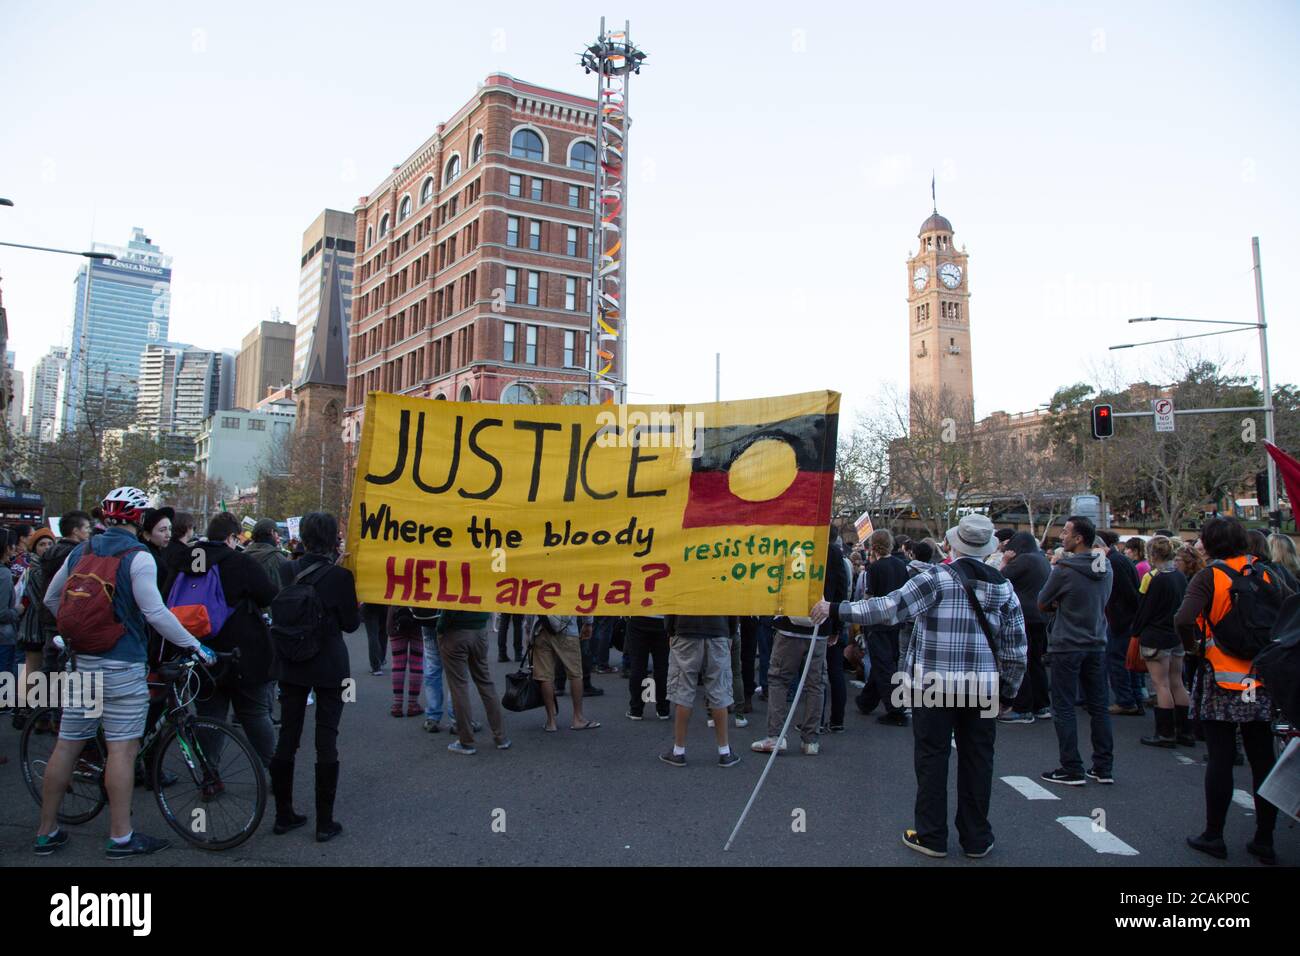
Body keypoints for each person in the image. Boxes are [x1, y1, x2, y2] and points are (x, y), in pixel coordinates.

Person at [813, 514, 1026, 858]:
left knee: (931, 758)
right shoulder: (1002, 586)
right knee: (978, 760)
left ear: (953, 544)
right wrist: (1008, 691)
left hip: (934, 682)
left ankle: (931, 835)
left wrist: (836, 609)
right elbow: (1016, 647)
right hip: (982, 684)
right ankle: (976, 837)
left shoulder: (936, 578)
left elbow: (888, 608)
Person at [37, 486, 213, 857]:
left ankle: (46, 831)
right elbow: (155, 613)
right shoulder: (139, 556)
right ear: (139, 519)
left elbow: (52, 599)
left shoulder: (81, 551)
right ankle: (121, 837)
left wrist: (79, 632)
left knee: (67, 745)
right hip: (123, 663)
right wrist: (196, 645)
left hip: (82, 661)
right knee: (122, 750)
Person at [1175, 516, 1282, 863]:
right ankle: (1265, 838)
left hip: (1221, 677)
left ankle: (1214, 835)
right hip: (1258, 678)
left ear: (1210, 543)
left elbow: (1183, 618)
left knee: (1221, 757)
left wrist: (1193, 647)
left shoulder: (1210, 577)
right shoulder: (1266, 573)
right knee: (1262, 756)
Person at [270, 511, 359, 842]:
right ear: (332, 537)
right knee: (326, 740)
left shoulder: (286, 569)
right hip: (329, 665)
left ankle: (283, 814)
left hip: (291, 662)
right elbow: (350, 624)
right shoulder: (340, 577)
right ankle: (325, 822)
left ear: (303, 536)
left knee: (288, 737)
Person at [184, 512, 280, 766]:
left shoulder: (188, 559)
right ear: (230, 537)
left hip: (200, 651)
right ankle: (274, 770)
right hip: (243, 651)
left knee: (210, 716)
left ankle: (209, 774)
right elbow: (268, 595)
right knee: (255, 714)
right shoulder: (240, 562)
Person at [754, 529, 850, 756]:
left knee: (778, 679)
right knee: (815, 684)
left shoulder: (789, 545)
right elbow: (840, 590)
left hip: (790, 625)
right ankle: (811, 740)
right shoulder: (833, 553)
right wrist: (836, 627)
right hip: (819, 626)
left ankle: (775, 735)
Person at [1036, 515, 1115, 786]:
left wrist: (1060, 604)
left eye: (1066, 532)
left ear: (1079, 538)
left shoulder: (1063, 570)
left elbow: (1042, 602)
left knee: (1064, 706)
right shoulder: (1106, 568)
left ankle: (1071, 766)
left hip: (1067, 643)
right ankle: (1103, 766)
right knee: (1099, 706)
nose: (1061, 536)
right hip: (1096, 641)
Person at [1129, 535, 1191, 747]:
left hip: (1156, 635)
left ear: (1152, 554)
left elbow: (1144, 608)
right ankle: (1185, 730)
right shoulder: (1179, 576)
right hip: (1176, 635)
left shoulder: (1155, 578)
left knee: (1161, 684)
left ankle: (1165, 733)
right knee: (1177, 682)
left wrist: (1135, 631)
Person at [660, 614, 741, 767]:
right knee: (719, 691)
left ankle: (679, 751)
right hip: (718, 630)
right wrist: (730, 632)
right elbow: (731, 602)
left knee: (683, 691)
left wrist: (670, 629)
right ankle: (724, 751)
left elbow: (672, 600)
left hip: (686, 629)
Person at [437, 606, 510, 755]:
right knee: (485, 683)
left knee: (458, 687)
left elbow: (450, 606)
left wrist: (440, 628)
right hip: (479, 631)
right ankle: (501, 737)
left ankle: (466, 741)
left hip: (456, 632)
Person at [856, 529, 910, 724]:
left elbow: (869, 598)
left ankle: (895, 709)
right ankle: (866, 700)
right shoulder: (901, 565)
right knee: (887, 662)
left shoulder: (875, 569)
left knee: (883, 664)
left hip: (877, 622)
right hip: (895, 620)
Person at [998, 531, 1052, 723]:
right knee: (1035, 662)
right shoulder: (1041, 558)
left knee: (1021, 662)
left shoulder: (1024, 560)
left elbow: (999, 578)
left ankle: (1022, 708)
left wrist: (1004, 560)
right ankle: (1042, 705)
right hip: (1039, 616)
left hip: (1024, 616)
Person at [1098, 529, 1144, 715]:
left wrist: (1121, 616)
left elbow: (1125, 592)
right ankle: (1134, 698)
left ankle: (1126, 701)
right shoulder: (1119, 560)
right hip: (1124, 618)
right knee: (1127, 662)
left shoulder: (1114, 562)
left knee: (1117, 661)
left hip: (1121, 620)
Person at [532, 615, 600, 732]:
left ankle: (551, 721)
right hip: (567, 628)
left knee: (545, 676)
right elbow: (584, 598)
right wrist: (588, 622)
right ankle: (577, 718)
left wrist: (528, 628)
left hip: (542, 627)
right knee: (575, 673)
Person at [625, 613, 671, 720]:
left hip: (638, 616)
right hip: (662, 619)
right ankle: (663, 709)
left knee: (637, 666)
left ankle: (636, 710)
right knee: (662, 667)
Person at [386, 605, 425, 718]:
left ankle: (397, 704)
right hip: (419, 619)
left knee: (397, 663)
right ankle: (413, 704)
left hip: (396, 618)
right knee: (416, 663)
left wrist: (389, 623)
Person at [245, 518, 293, 597]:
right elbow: (284, 592)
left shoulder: (242, 555)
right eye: (277, 533)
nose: (279, 538)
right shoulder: (278, 558)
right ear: (272, 532)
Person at [360, 602, 388, 675]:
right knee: (383, 633)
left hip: (369, 604)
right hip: (385, 603)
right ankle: (381, 659)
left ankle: (376, 667)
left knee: (373, 635)